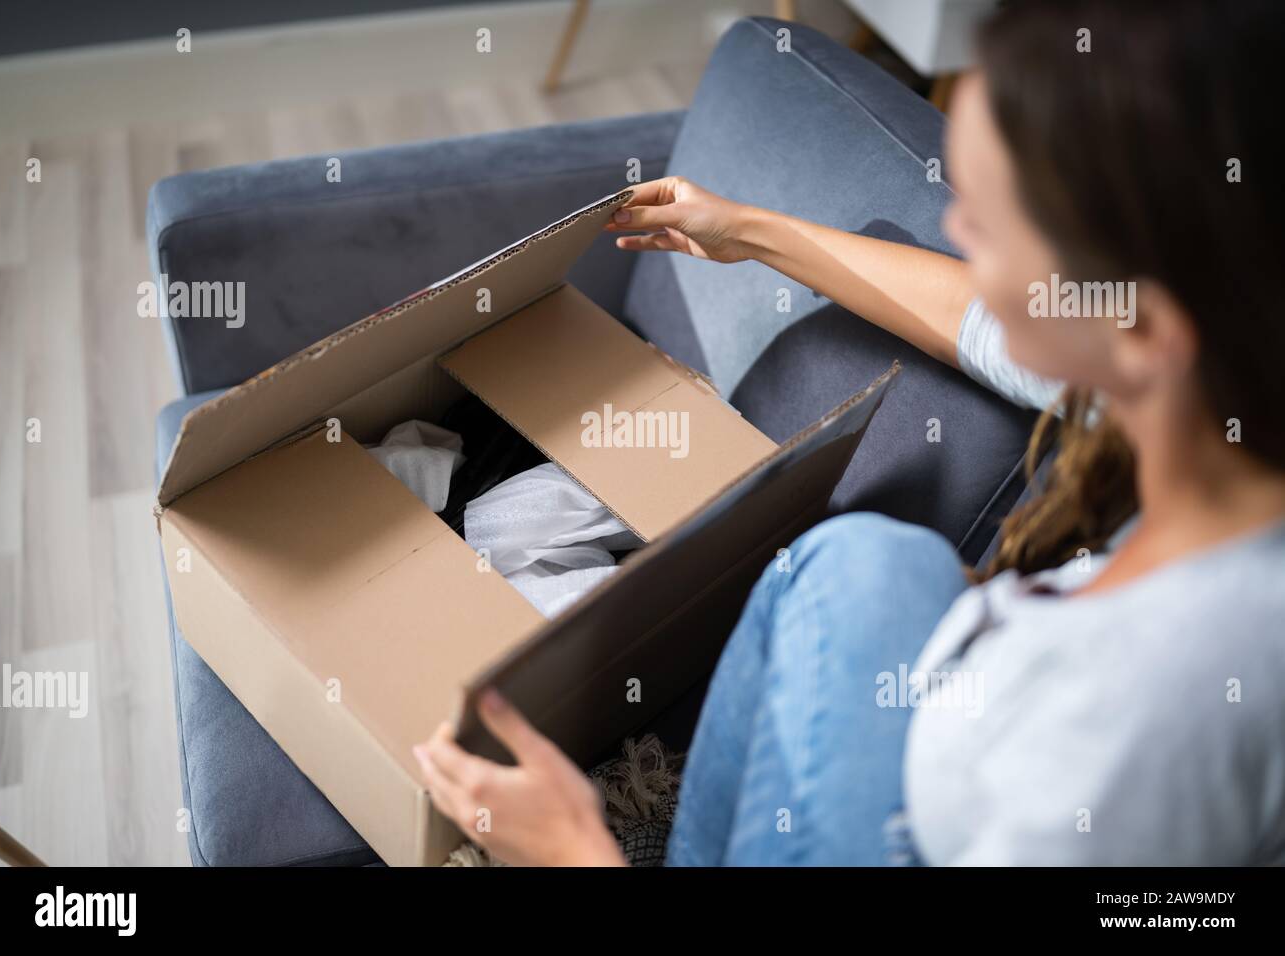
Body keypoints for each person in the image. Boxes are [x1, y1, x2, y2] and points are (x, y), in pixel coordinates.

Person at [411, 0, 1285, 865]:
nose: (955, 232)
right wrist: (748, 230)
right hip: (957, 746)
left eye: (988, 220)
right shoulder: (1201, 381)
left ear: (1138, 324)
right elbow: (973, 319)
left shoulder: (1150, 716)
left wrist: (571, 850)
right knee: (865, 560)